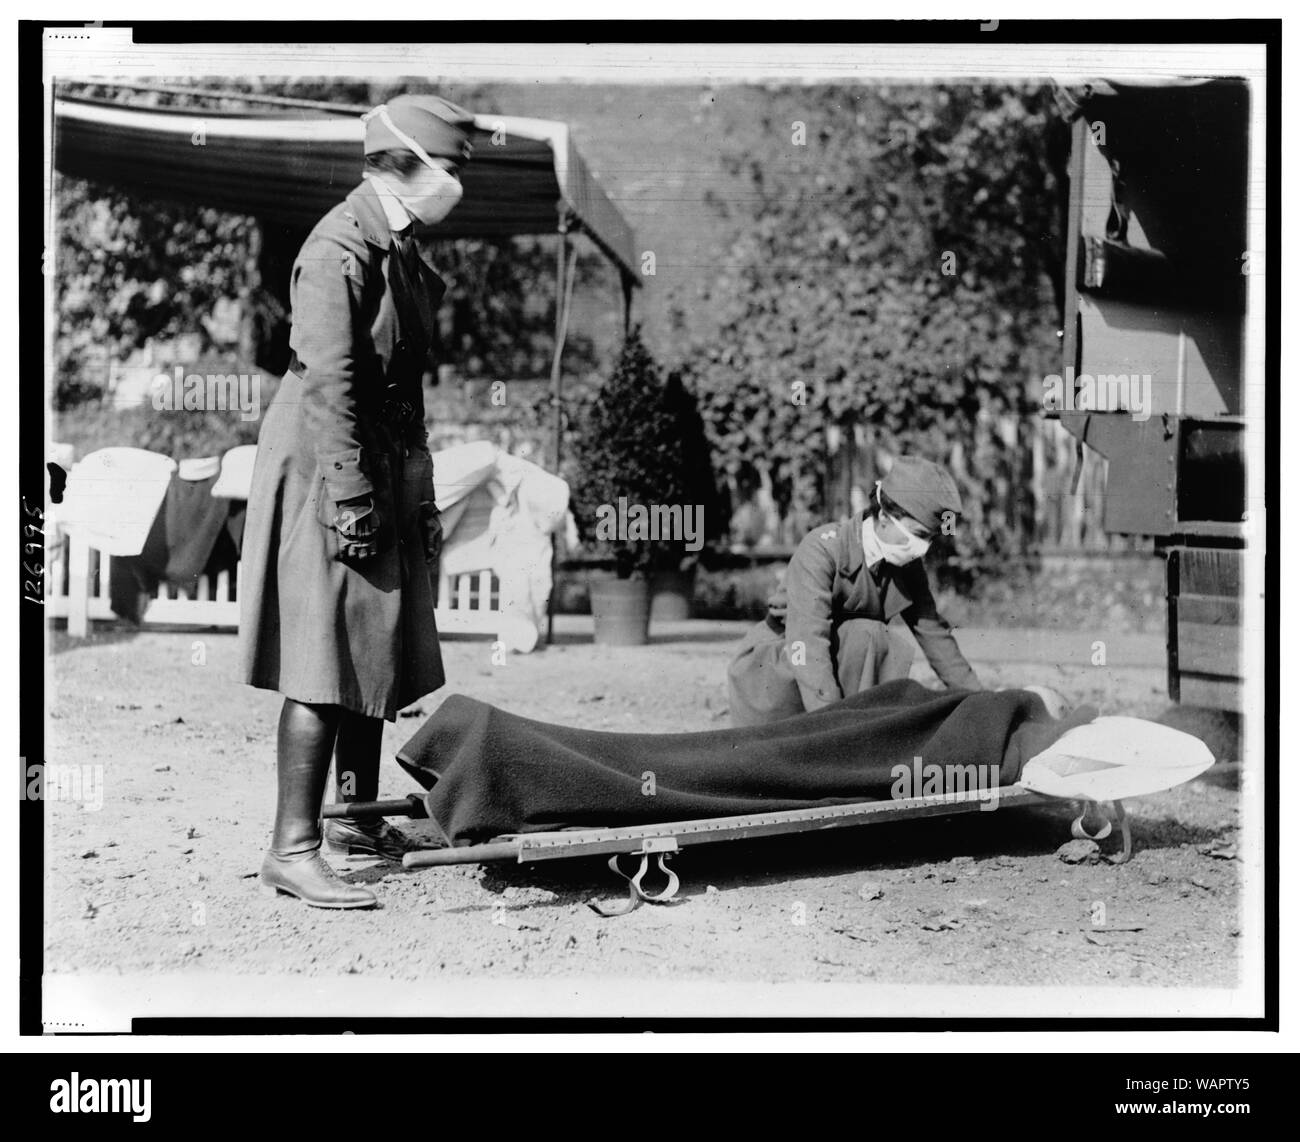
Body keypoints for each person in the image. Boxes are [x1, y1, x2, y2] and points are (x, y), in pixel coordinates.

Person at [240, 94, 476, 908]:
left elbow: (405, 384)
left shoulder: (398, 248)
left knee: (371, 643)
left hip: (379, 457)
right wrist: (351, 497)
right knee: (322, 656)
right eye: (452, 167)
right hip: (326, 460)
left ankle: (352, 821)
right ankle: (291, 848)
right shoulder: (339, 246)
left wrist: (419, 491)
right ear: (405, 163)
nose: (458, 185)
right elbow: (330, 385)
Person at [726, 455, 981, 727]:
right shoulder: (823, 549)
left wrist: (981, 703)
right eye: (918, 534)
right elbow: (808, 643)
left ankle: (860, 729)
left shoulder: (907, 566)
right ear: (884, 517)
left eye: (930, 538)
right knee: (867, 636)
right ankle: (847, 732)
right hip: (777, 670)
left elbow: (934, 634)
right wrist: (833, 727)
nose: (923, 548)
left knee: (874, 638)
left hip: (831, 670)